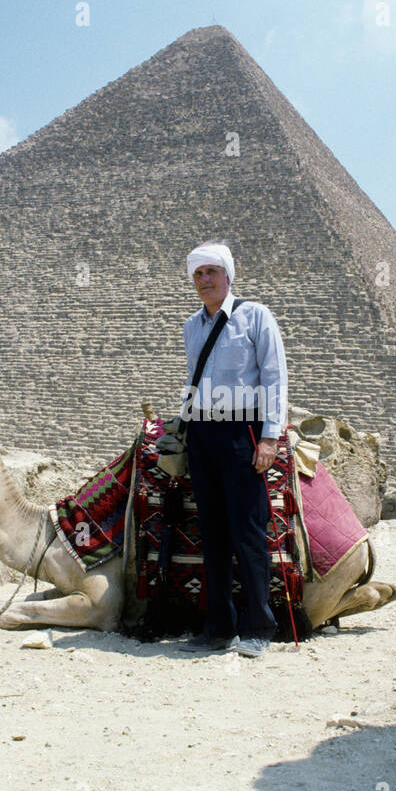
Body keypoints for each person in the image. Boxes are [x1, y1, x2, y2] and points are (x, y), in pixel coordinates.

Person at [177, 241, 288, 658]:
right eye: (197, 274)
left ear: (228, 276)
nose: (204, 280)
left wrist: (271, 437)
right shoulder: (191, 326)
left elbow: (275, 378)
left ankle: (260, 626)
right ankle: (219, 628)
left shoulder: (255, 317)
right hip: (203, 434)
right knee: (213, 534)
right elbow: (194, 379)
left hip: (242, 431)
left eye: (211, 272)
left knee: (247, 531)